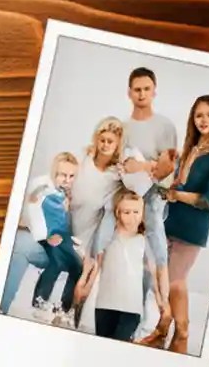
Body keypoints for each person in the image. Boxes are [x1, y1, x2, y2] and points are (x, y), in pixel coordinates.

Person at [163, 95, 209, 354]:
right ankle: (163, 329)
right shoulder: (190, 148)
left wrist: (177, 195)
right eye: (198, 115)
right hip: (169, 220)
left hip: (192, 226)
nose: (203, 120)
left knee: (174, 280)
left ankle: (181, 334)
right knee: (162, 280)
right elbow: (180, 186)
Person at [120, 67, 179, 345]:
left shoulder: (165, 125)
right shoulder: (123, 127)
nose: (142, 93)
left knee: (157, 256)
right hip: (130, 200)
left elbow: (168, 167)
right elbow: (121, 167)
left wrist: (143, 166)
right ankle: (142, 324)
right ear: (129, 92)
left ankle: (163, 313)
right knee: (137, 262)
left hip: (154, 200)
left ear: (154, 90)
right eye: (137, 89)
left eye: (146, 88)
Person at [68, 117, 125, 316]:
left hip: (90, 228)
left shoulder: (116, 174)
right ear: (96, 139)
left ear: (117, 144)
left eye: (111, 141)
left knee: (83, 270)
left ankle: (73, 313)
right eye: (102, 140)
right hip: (69, 216)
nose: (105, 144)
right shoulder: (84, 158)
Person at [27, 152, 83, 321]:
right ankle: (40, 301)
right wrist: (44, 238)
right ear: (54, 173)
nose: (67, 179)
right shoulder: (43, 189)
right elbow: (33, 213)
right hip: (49, 236)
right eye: (63, 175)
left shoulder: (67, 193)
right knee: (56, 262)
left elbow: (67, 219)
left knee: (77, 266)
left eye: (71, 176)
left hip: (64, 235)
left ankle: (64, 307)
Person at [94, 190, 148, 341]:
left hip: (131, 308)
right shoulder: (108, 237)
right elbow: (96, 263)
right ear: (118, 213)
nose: (132, 217)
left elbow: (154, 272)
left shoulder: (145, 240)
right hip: (105, 304)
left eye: (136, 212)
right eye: (126, 212)